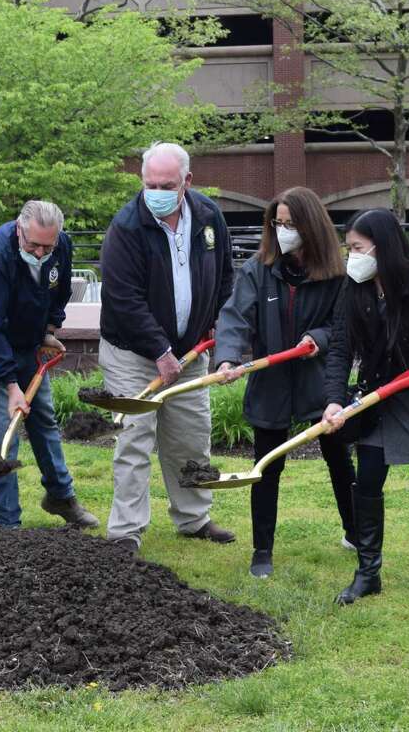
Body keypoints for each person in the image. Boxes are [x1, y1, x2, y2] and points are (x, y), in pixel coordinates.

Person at [322, 208, 409, 603]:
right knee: (367, 480)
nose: (352, 257)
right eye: (348, 248)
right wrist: (334, 400)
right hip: (377, 401)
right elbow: (339, 347)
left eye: (358, 248)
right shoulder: (354, 289)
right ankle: (368, 573)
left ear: (382, 247)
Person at [98, 141, 236, 554]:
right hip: (132, 355)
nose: (156, 191)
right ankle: (126, 530)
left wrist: (218, 322)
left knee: (191, 439)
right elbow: (124, 299)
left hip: (191, 351)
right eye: (150, 183)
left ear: (187, 182)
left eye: (167, 184)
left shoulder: (208, 217)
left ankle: (194, 518)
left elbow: (226, 273)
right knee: (134, 439)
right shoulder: (126, 227)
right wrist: (159, 349)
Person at [214, 187, 354, 579]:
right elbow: (235, 317)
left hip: (319, 380)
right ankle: (262, 550)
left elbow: (343, 325)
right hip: (271, 381)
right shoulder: (257, 270)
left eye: (291, 224)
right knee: (266, 465)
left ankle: (356, 531)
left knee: (339, 459)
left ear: (311, 226)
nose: (283, 231)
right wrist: (228, 357)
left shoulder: (336, 276)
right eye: (277, 223)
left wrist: (319, 339)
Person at [0, 201, 99, 529]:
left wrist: (48, 330)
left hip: (25, 343)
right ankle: (8, 525)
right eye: (32, 244)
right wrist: (11, 386)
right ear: (19, 229)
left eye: (47, 246)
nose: (39, 252)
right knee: (3, 430)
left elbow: (59, 292)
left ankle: (61, 496)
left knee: (43, 419)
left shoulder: (59, 245)